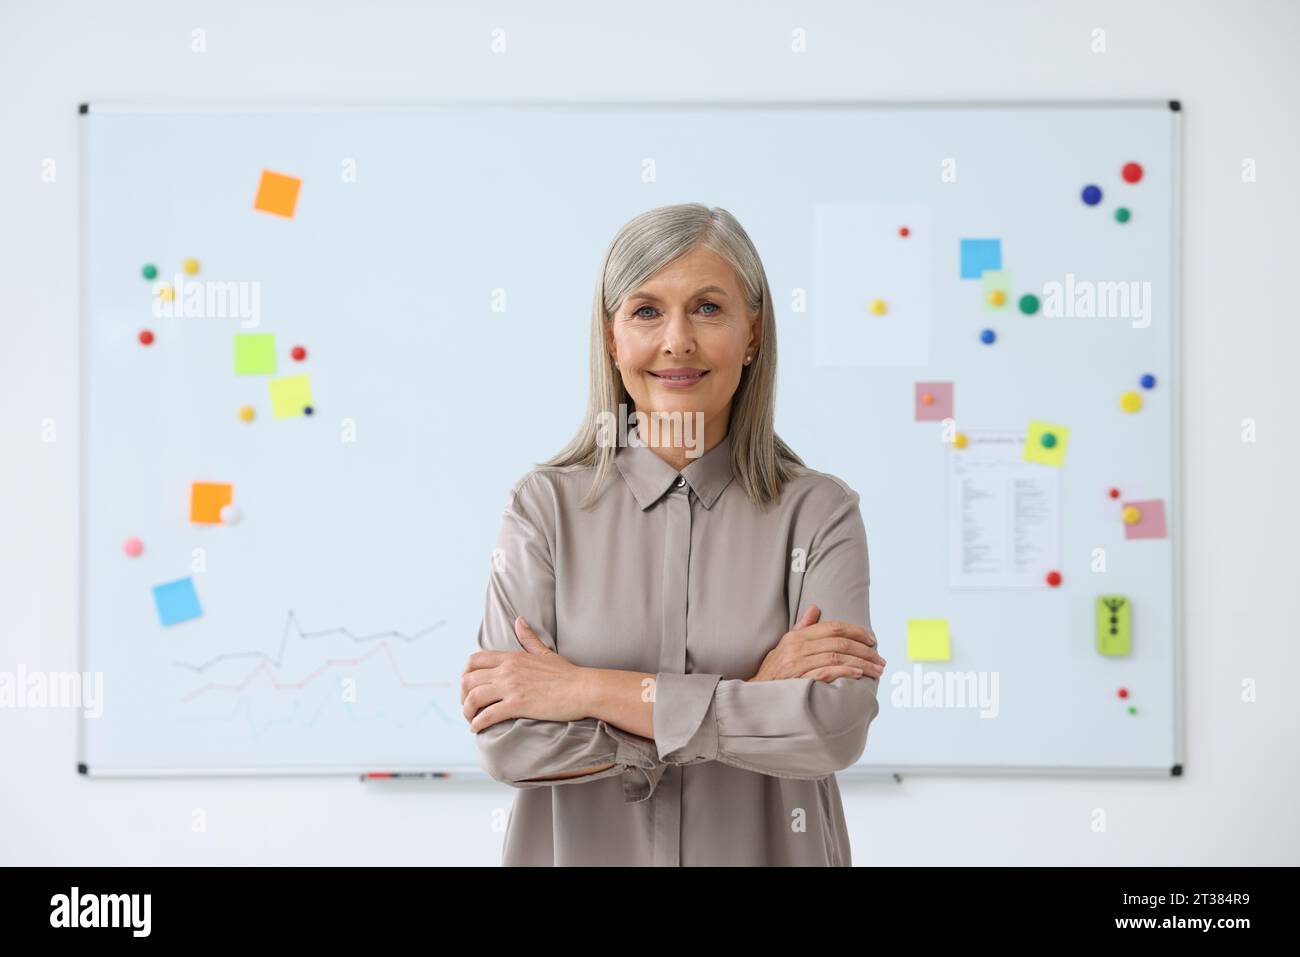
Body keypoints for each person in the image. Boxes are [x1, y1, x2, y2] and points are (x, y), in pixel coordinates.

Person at [461, 202, 885, 866]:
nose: (677, 341)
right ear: (612, 337)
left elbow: (832, 727)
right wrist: (748, 699)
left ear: (753, 333)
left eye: (709, 308)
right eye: (646, 310)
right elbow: (512, 741)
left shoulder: (819, 512)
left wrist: (585, 689)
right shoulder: (542, 509)